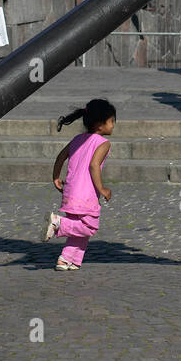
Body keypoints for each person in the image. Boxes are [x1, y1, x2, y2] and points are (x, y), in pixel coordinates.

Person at [43, 99, 115, 270]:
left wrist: (55, 177)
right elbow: (93, 165)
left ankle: (68, 259)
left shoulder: (77, 139)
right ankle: (58, 223)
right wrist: (102, 189)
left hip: (70, 190)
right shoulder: (103, 143)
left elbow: (60, 157)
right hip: (86, 193)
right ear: (99, 124)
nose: (113, 125)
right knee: (89, 227)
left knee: (78, 228)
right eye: (111, 121)